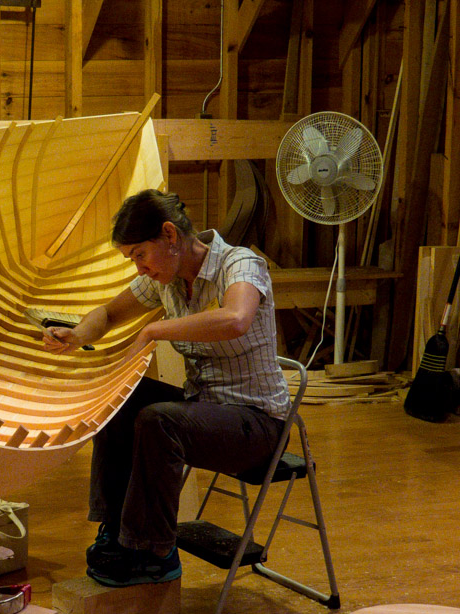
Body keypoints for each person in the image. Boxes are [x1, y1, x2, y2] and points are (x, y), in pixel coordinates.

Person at [43, 189, 289, 588]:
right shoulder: (167, 280)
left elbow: (236, 319)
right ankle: (118, 529)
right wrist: (75, 334)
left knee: (159, 422)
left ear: (170, 236)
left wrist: (155, 329)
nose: (139, 267)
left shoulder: (240, 263)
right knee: (122, 402)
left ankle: (153, 552)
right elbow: (107, 313)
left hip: (257, 424)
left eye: (140, 254)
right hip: (204, 408)